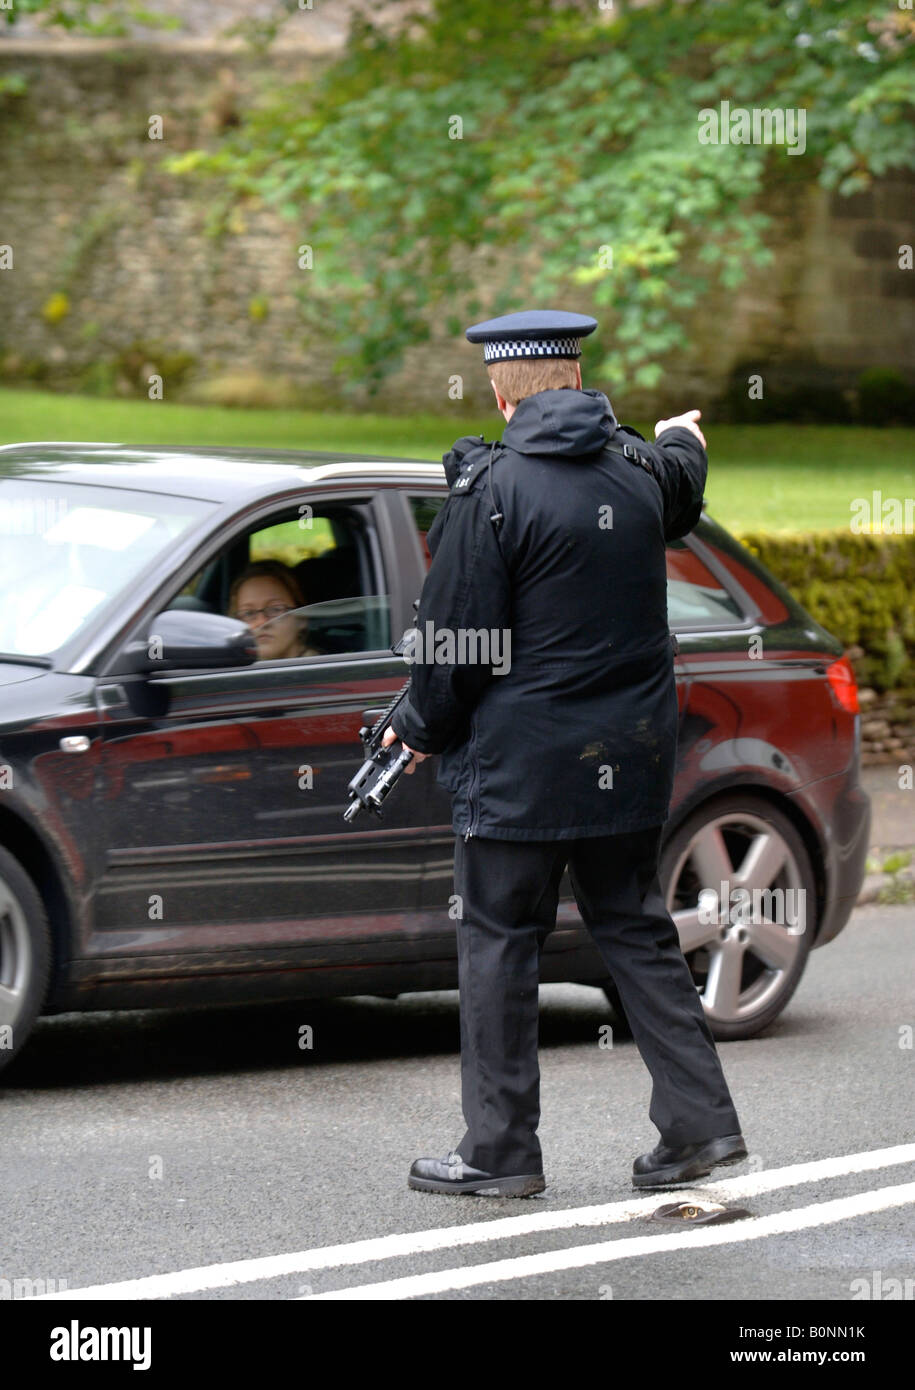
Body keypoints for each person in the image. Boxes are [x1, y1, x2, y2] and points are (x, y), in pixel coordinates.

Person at [380, 308, 745, 1197]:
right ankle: (699, 1131)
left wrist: (417, 728)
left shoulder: (491, 493)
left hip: (520, 772)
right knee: (638, 934)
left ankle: (500, 1153)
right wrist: (676, 435)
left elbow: (458, 638)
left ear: (501, 394)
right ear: (577, 380)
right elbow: (683, 481)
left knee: (502, 942)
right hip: (628, 758)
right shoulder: (639, 472)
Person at [229, 560, 321, 661]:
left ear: (301, 617)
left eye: (275, 609)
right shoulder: (233, 669)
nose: (262, 622)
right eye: (249, 613)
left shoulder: (323, 672)